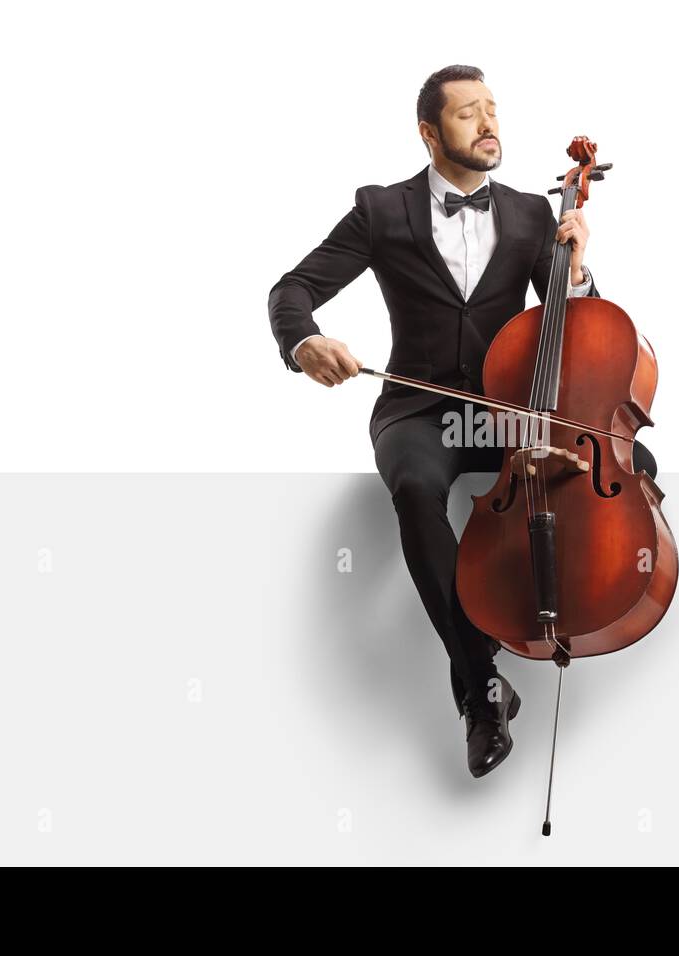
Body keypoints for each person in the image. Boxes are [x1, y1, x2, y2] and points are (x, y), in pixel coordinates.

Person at [268, 64, 657, 778]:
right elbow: (292, 288)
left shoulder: (532, 215)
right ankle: (480, 688)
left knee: (632, 467)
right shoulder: (382, 210)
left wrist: (575, 270)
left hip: (507, 412)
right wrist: (303, 340)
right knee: (416, 489)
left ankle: (565, 594)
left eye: (492, 110)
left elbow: (582, 330)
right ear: (429, 132)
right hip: (417, 410)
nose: (488, 124)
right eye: (467, 114)